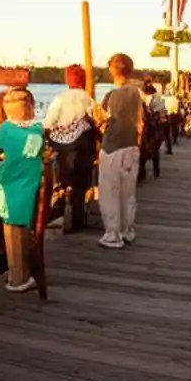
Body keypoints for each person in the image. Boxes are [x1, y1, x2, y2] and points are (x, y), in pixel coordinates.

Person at [0, 88, 44, 292]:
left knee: (10, 229)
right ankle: (23, 272)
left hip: (8, 184)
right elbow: (32, 153)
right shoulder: (38, 129)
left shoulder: (4, 130)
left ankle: (17, 278)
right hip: (29, 184)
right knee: (21, 229)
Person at [96, 53, 143, 249]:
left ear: (113, 70)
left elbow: (103, 121)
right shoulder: (136, 93)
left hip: (113, 147)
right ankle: (127, 229)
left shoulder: (111, 96)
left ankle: (113, 233)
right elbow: (140, 122)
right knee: (128, 192)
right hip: (131, 145)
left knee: (110, 191)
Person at [44, 64, 97, 233]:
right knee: (81, 182)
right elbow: (96, 118)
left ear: (67, 80)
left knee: (63, 180)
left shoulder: (60, 99)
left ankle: (59, 208)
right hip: (82, 144)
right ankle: (77, 218)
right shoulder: (87, 98)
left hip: (62, 146)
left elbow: (48, 123)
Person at [138, 82, 167, 181]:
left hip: (150, 127)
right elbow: (162, 113)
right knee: (154, 150)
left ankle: (146, 171)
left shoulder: (143, 99)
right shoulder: (157, 99)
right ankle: (155, 171)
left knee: (149, 149)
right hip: (151, 127)